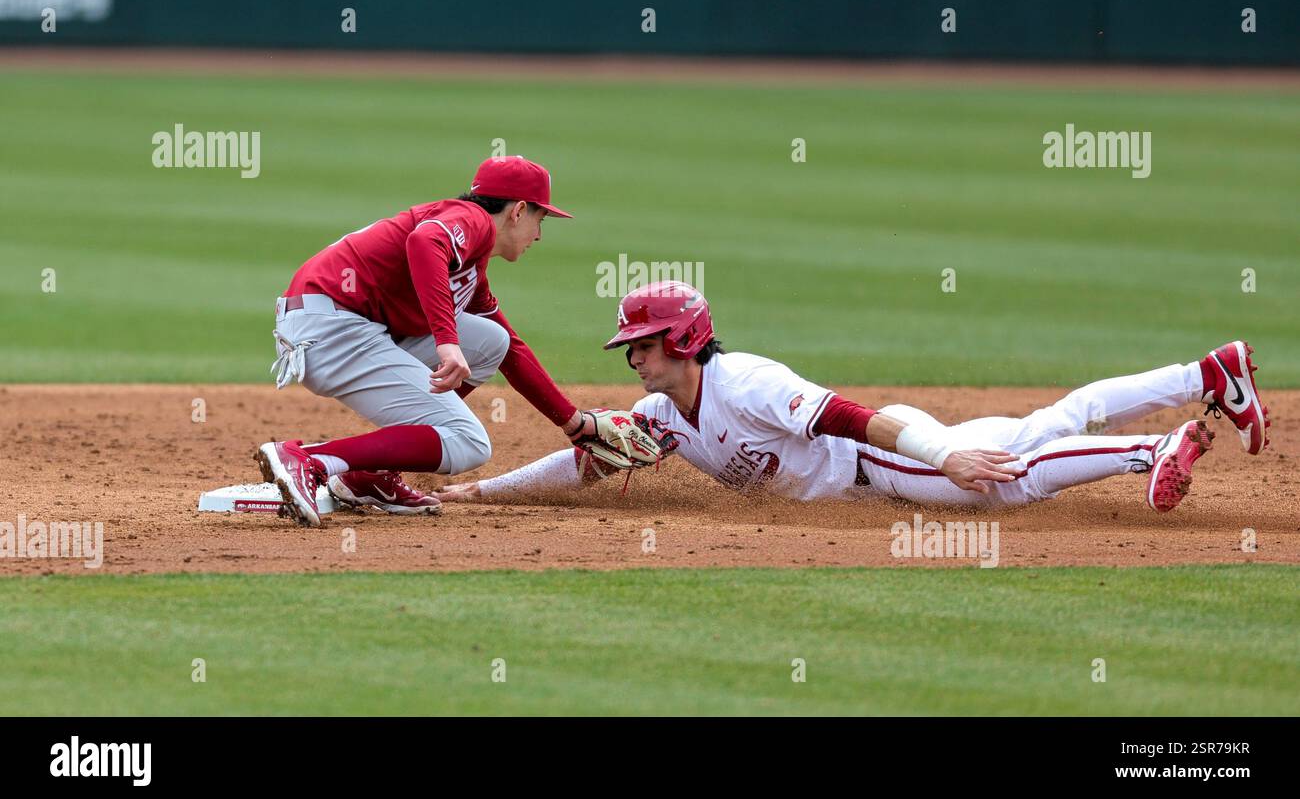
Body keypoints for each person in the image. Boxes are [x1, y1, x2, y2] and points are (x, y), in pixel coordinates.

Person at [435, 281, 1269, 511]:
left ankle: (1147, 452)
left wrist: (940, 454)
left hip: (883, 458)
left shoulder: (747, 380)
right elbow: (581, 465)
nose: (632, 361)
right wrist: (483, 488)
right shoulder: (662, 417)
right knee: (1050, 421)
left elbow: (850, 417)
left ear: (684, 341)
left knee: (1006, 479)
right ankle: (1208, 376)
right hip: (887, 453)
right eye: (629, 348)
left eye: (643, 346)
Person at [253, 155, 603, 526]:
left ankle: (369, 476)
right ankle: (310, 460)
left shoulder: (470, 263)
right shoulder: (473, 221)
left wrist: (576, 424)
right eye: (540, 218)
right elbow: (425, 241)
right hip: (331, 330)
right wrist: (446, 341)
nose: (539, 234)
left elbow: (511, 350)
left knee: (491, 341)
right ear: (518, 211)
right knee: (469, 443)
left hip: (342, 326)